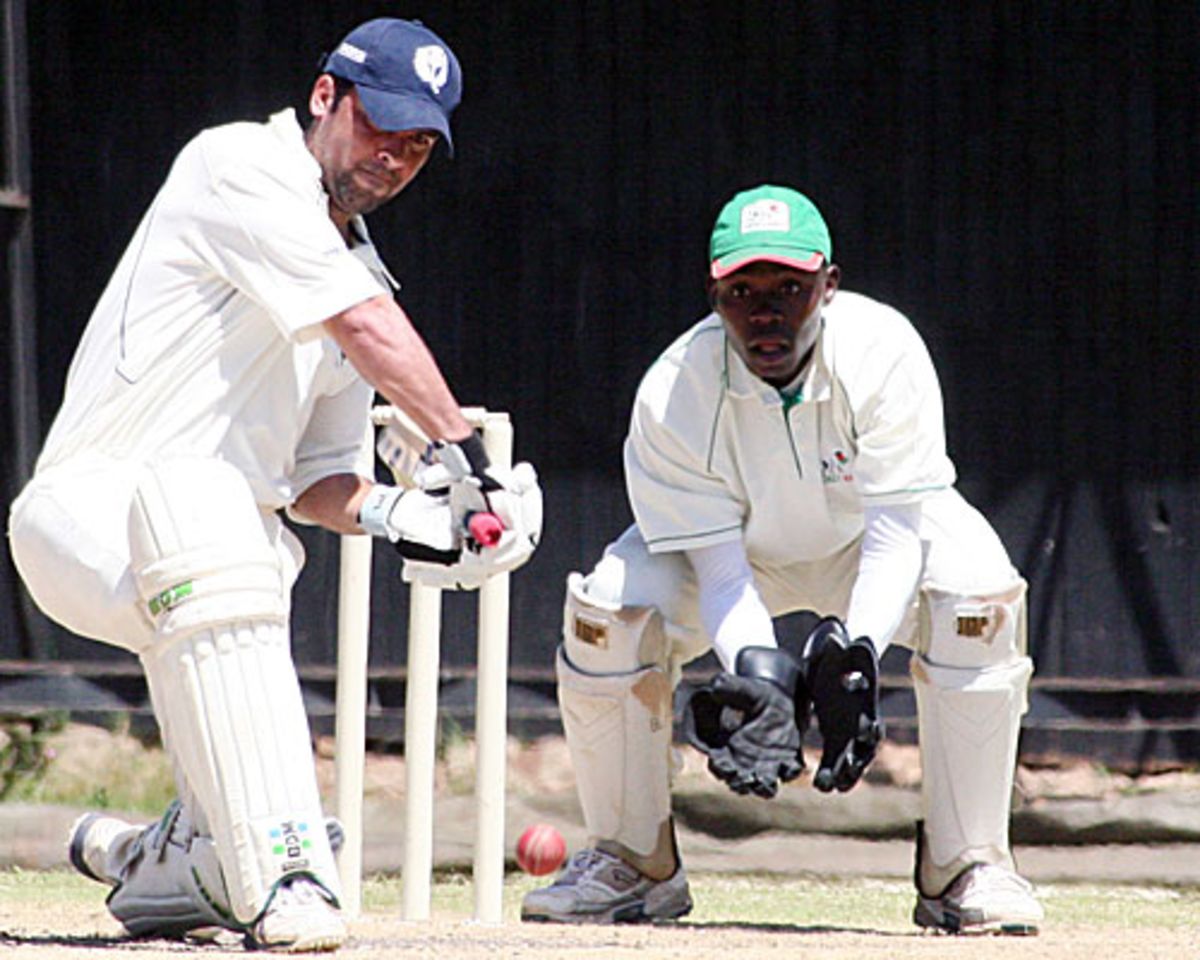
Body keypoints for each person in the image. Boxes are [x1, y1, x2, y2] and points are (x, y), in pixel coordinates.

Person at [7, 17, 540, 953]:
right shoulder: (237, 164)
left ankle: (189, 855)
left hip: (211, 571)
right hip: (86, 516)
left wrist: (411, 513)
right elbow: (366, 329)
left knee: (240, 536)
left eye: (419, 143)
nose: (396, 157)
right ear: (325, 97)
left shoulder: (355, 269)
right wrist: (465, 452)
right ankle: (288, 868)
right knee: (209, 509)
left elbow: (315, 481)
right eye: (383, 126)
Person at [521, 184, 1043, 935]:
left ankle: (965, 866)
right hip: (741, 563)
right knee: (610, 612)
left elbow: (897, 537)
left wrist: (855, 657)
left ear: (829, 285)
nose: (765, 312)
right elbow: (723, 573)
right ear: (714, 293)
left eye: (790, 289)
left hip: (869, 547)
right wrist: (759, 673)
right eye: (742, 291)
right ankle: (636, 865)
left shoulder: (884, 351)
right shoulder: (674, 391)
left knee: (977, 596)